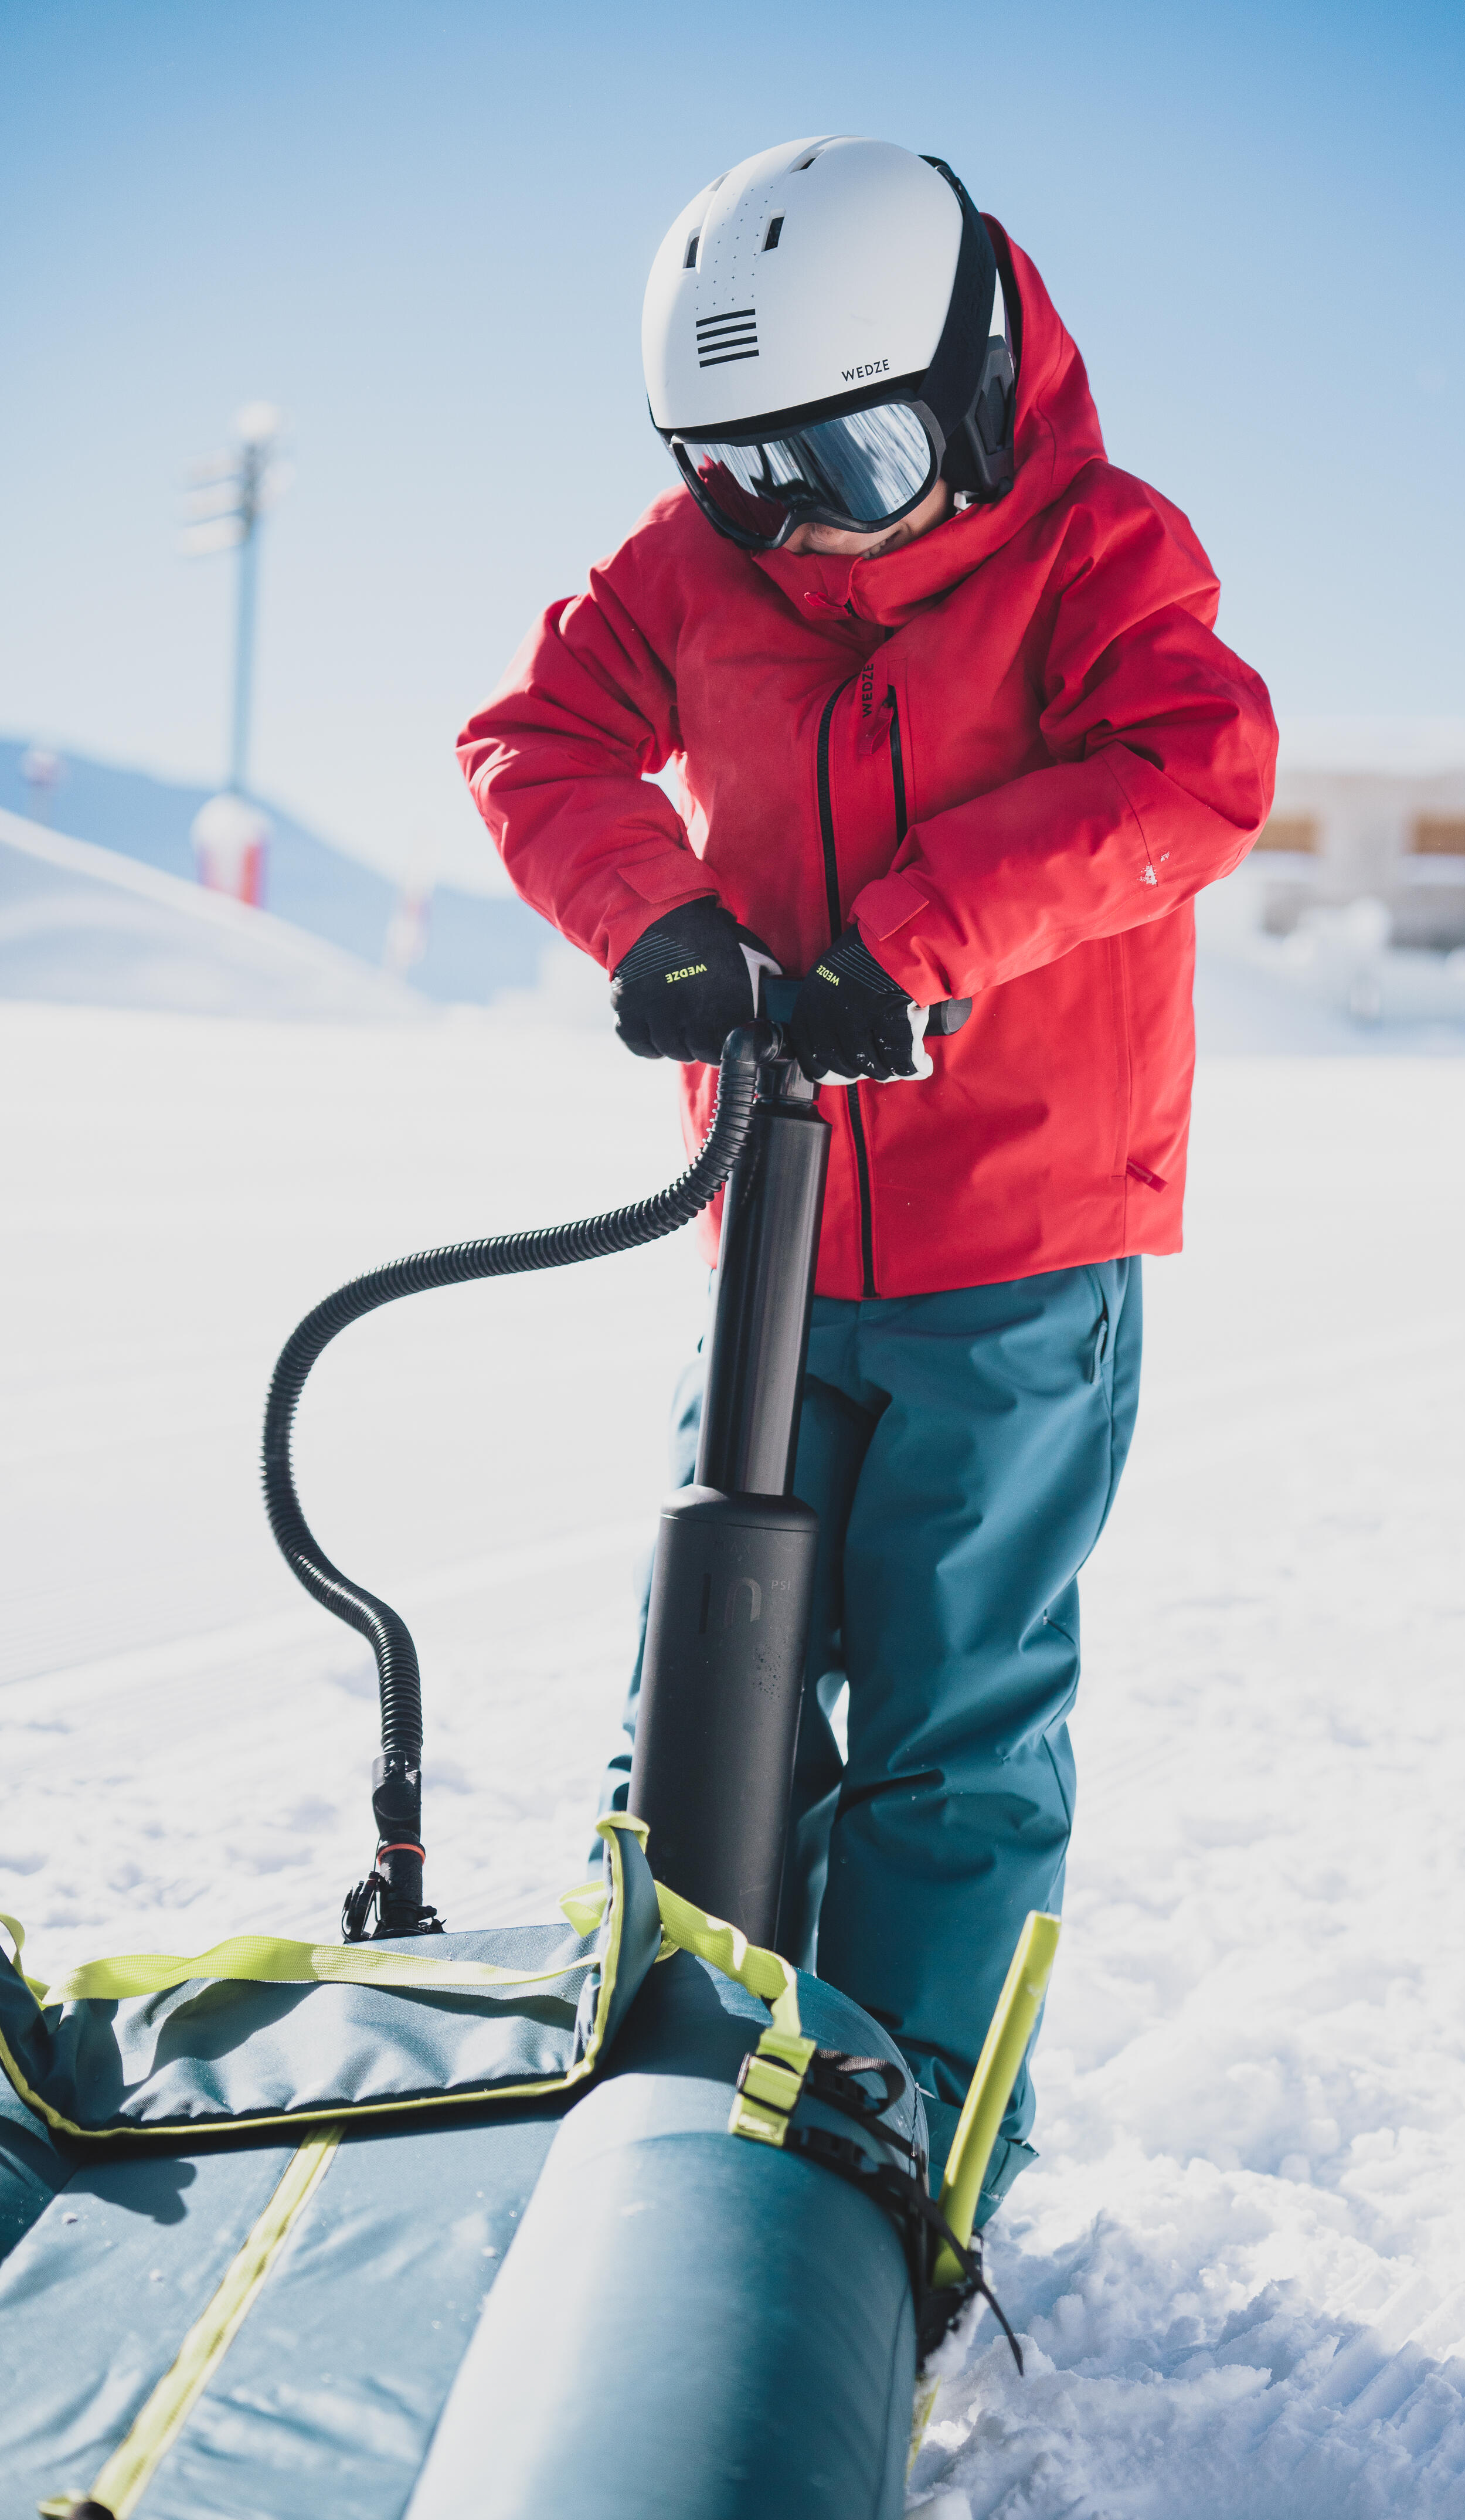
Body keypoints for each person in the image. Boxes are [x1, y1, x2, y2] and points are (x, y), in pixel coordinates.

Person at [458, 134, 1276, 2220]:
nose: (803, 521)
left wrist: (910, 941)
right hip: (776, 1230)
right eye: (750, 470)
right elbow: (536, 733)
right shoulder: (700, 563)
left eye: (855, 447)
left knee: (950, 1722)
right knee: (711, 1679)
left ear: (979, 370)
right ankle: (664, 2101)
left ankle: (904, 2166)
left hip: (1023, 1254)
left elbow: (1192, 767)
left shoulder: (1101, 551)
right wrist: (654, 919)